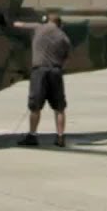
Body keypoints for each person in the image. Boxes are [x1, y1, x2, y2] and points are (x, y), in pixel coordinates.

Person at [18, 14, 71, 147]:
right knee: (59, 107)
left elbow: (19, 25)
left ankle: (32, 135)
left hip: (39, 71)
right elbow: (66, 57)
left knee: (35, 106)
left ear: (47, 20)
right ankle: (60, 137)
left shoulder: (38, 27)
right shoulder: (63, 37)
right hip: (55, 71)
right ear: (59, 24)